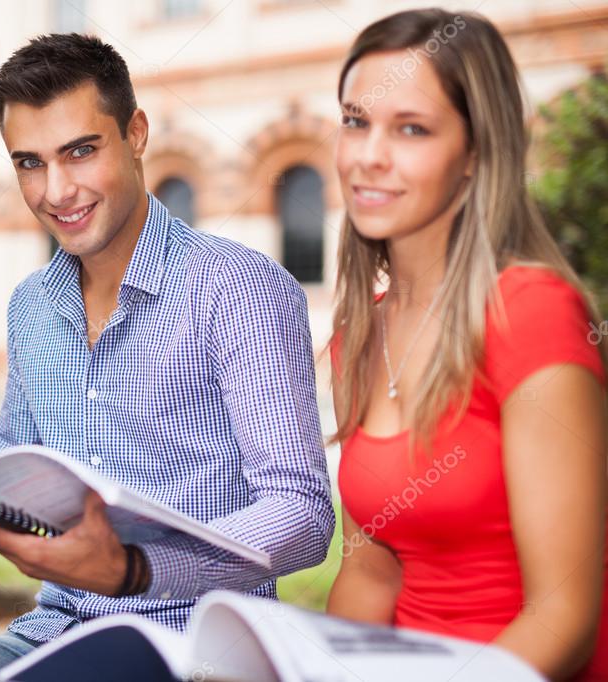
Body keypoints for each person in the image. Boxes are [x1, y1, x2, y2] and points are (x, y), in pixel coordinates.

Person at [0, 33, 334, 681]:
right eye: (29, 163)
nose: (56, 190)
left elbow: (301, 512)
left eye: (80, 152)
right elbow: (27, 489)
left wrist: (135, 571)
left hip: (197, 643)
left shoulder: (237, 288)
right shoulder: (29, 305)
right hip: (53, 629)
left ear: (136, 133)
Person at [324, 9, 607, 680]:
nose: (368, 154)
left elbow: (563, 616)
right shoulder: (357, 337)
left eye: (411, 129)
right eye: (355, 120)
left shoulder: (530, 315)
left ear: (476, 153)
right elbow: (368, 573)